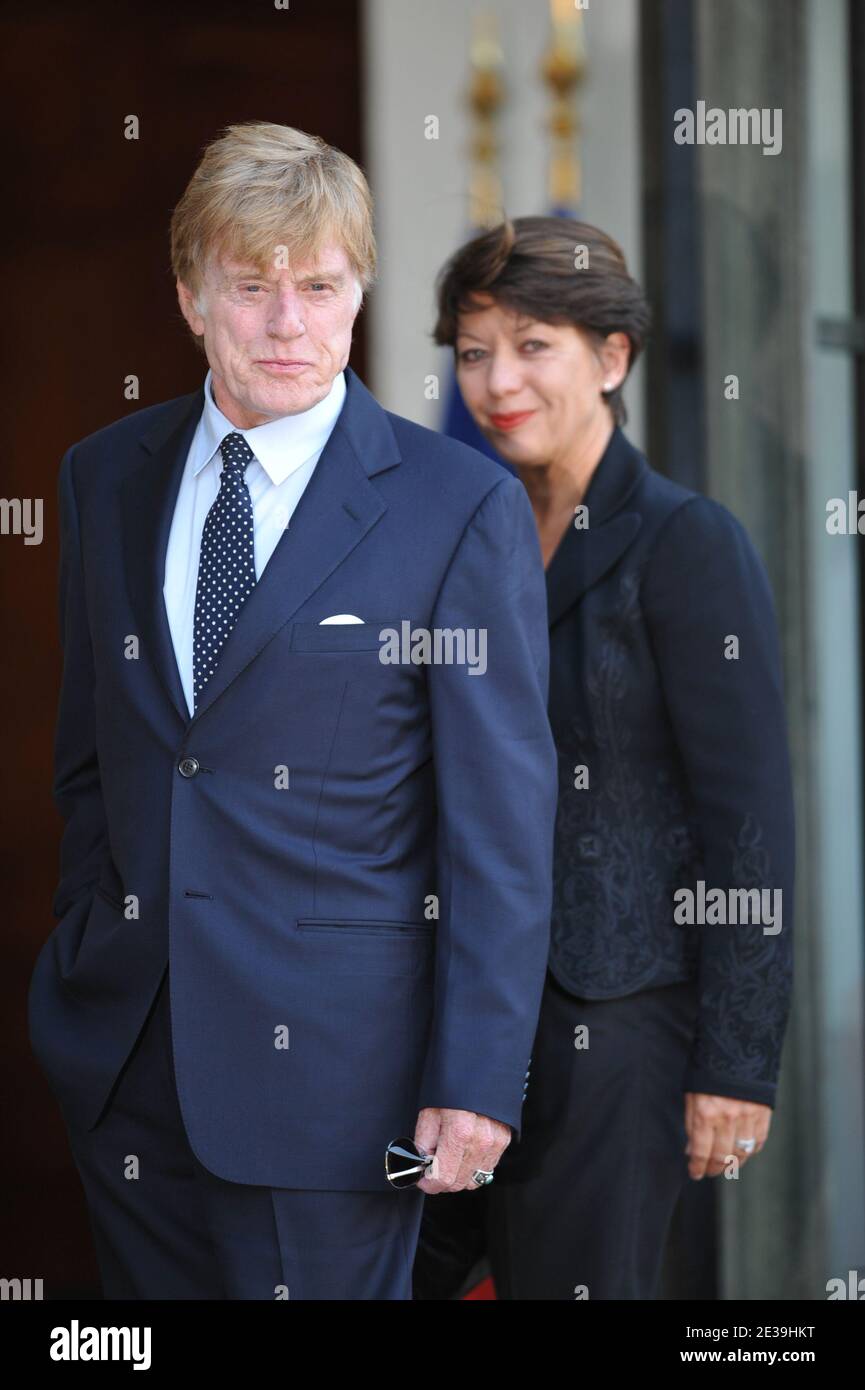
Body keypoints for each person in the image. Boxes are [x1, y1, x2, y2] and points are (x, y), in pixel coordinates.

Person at [26, 127, 558, 1301]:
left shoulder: (454, 505)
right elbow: (94, 765)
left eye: (318, 286)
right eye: (251, 286)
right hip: (127, 1065)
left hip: (337, 1083)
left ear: (358, 293)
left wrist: (475, 1076)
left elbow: (501, 825)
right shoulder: (103, 477)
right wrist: (80, 972)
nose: (287, 322)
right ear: (189, 297)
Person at [414, 215, 795, 1300]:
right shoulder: (458, 538)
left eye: (533, 345)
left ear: (612, 358)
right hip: (463, 1028)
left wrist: (735, 1062)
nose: (495, 381)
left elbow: (750, 820)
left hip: (620, 1026)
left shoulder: (686, 544)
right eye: (474, 350)